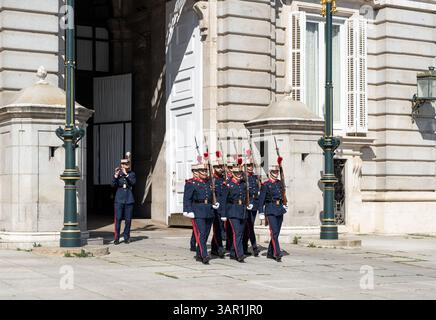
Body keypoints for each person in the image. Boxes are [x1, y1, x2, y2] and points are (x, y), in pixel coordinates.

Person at [183, 163, 219, 264]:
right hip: (198, 210)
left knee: (206, 234)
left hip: (209, 210)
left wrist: (215, 203)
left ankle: (199, 254)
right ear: (197, 172)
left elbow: (214, 195)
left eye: (205, 171)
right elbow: (187, 198)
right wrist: (188, 210)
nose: (204, 172)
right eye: (202, 171)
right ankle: (204, 255)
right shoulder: (191, 183)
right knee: (201, 233)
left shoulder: (209, 182)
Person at [257, 165, 288, 262]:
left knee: (276, 233)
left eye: (277, 172)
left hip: (279, 209)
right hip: (270, 210)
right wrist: (261, 212)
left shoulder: (279, 183)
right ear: (270, 173)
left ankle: (270, 252)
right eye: (274, 172)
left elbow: (282, 195)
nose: (276, 174)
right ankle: (277, 253)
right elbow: (261, 200)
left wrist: (284, 204)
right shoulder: (265, 185)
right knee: (274, 232)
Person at [222, 164, 249, 263]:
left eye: (240, 173)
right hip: (232, 211)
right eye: (236, 173)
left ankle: (233, 253)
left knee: (240, 233)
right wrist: (223, 214)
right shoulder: (228, 184)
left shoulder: (243, 183)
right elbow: (223, 200)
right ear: (232, 173)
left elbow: (245, 197)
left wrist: (247, 204)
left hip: (242, 210)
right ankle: (240, 255)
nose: (238, 175)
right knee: (237, 233)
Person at [112, 157, 136, 245]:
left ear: (128, 165)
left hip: (129, 199)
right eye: (123, 164)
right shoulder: (118, 174)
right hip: (119, 199)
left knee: (128, 220)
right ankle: (116, 238)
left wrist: (126, 175)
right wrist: (115, 176)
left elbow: (133, 183)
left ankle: (126, 237)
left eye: (126, 164)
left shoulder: (131, 174)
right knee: (117, 219)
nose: (124, 166)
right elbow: (113, 185)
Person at [242, 159, 261, 257]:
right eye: (248, 165)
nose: (250, 167)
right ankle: (253, 247)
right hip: (246, 205)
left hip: (255, 204)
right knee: (247, 226)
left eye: (251, 165)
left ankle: (246, 247)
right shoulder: (242, 177)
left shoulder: (255, 177)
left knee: (249, 226)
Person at [210, 159, 226, 258]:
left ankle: (214, 247)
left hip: (223, 207)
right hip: (215, 208)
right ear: (214, 168)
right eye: (217, 167)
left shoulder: (224, 179)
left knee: (221, 228)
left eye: (221, 167)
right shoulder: (211, 179)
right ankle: (219, 247)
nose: (219, 169)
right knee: (217, 228)